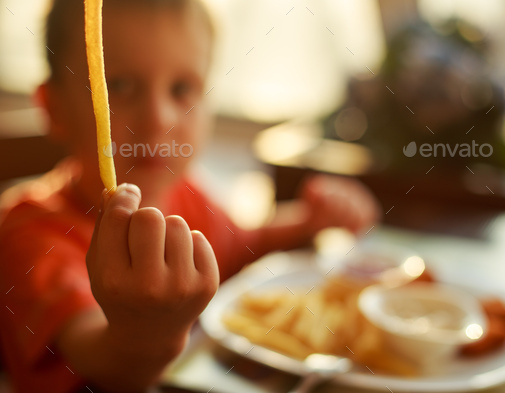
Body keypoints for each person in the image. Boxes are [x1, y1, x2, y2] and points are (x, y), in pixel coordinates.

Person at [0, 0, 380, 392]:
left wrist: (309, 222)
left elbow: (242, 248)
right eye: (120, 86)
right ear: (54, 108)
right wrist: (147, 333)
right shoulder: (32, 235)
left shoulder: (185, 195)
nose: (159, 117)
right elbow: (104, 366)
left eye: (182, 88)